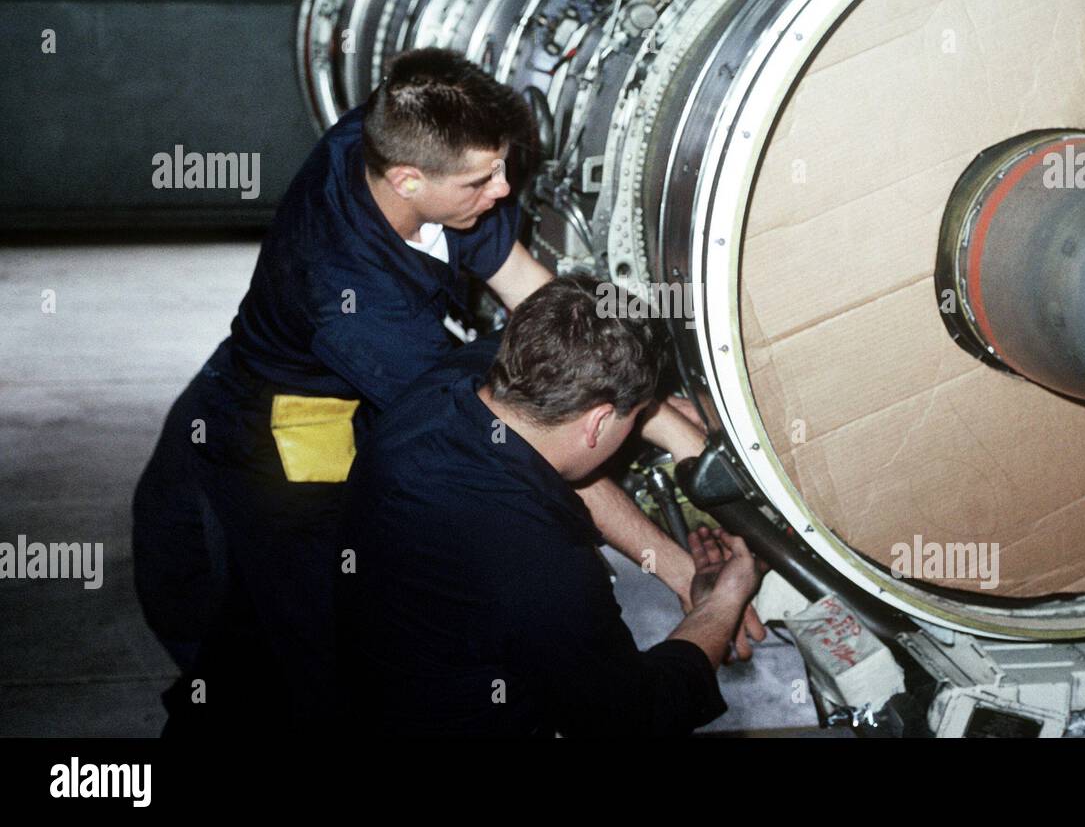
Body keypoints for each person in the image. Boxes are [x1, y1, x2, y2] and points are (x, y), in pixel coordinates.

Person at [132, 47, 719, 733]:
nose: (503, 190)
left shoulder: (394, 130)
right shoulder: (351, 300)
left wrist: (669, 424)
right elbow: (531, 442)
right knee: (323, 633)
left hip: (359, 387)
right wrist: (675, 567)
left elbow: (536, 300)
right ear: (408, 180)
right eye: (481, 180)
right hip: (288, 431)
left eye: (500, 167)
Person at [338, 275, 767, 735]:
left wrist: (680, 571)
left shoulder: (450, 389)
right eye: (636, 417)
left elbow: (553, 465)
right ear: (598, 421)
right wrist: (723, 601)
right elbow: (635, 713)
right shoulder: (536, 560)